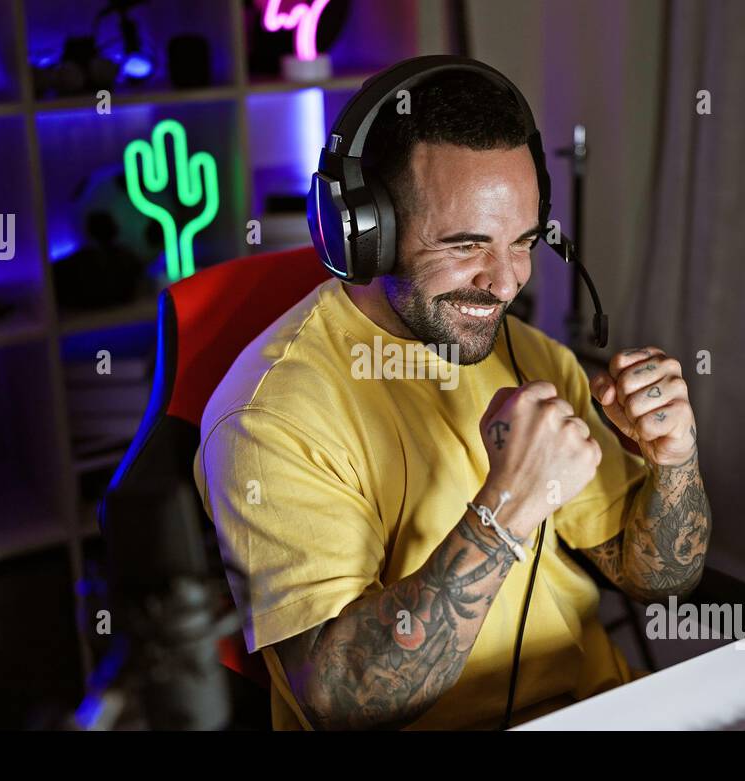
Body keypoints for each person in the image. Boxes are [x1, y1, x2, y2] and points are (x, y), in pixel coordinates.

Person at [193, 66, 710, 730]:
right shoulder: (271, 416)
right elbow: (343, 699)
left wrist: (675, 460)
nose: (505, 282)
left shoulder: (530, 354)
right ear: (365, 233)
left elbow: (658, 578)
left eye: (523, 242)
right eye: (467, 245)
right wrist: (505, 512)